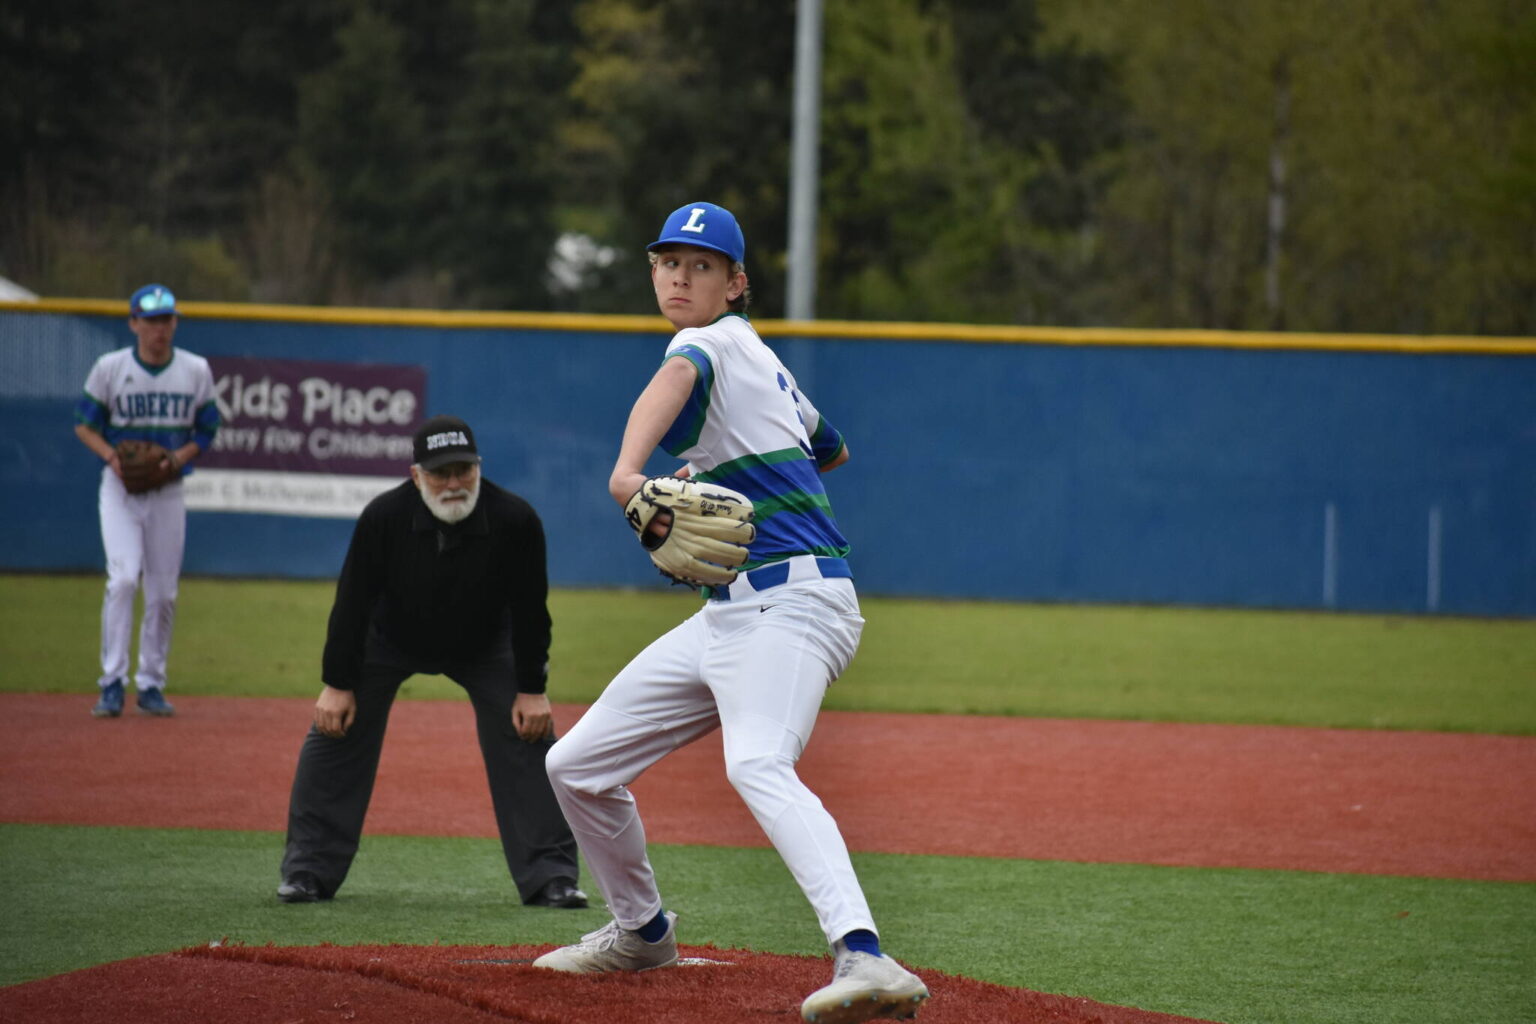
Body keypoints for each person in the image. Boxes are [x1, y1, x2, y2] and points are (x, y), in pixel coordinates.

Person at [533, 203, 930, 1023]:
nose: (680, 277)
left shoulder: (709, 343)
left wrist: (627, 473)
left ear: (735, 283)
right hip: (727, 615)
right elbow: (833, 448)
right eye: (668, 262)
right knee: (575, 766)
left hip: (794, 602)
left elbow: (674, 377)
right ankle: (642, 933)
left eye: (702, 266)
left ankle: (865, 954)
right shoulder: (759, 358)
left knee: (758, 764)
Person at [276, 414, 587, 910]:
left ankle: (551, 877)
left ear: (479, 467)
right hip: (389, 639)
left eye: (463, 470)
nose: (453, 483)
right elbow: (352, 602)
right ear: (416, 475)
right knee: (334, 730)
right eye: (440, 473)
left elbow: (532, 612)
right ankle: (308, 871)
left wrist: (532, 687)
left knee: (530, 733)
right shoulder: (384, 517)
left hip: (486, 644)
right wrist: (337, 683)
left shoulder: (516, 519)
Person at [73, 284, 220, 719]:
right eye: (151, 320)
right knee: (122, 580)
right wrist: (111, 456)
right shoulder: (110, 367)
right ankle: (111, 682)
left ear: (174, 323)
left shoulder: (195, 370)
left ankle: (151, 683)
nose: (159, 329)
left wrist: (178, 457)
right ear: (133, 323)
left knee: (162, 593)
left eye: (166, 320)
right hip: (119, 491)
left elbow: (207, 430)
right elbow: (84, 424)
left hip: (168, 492)